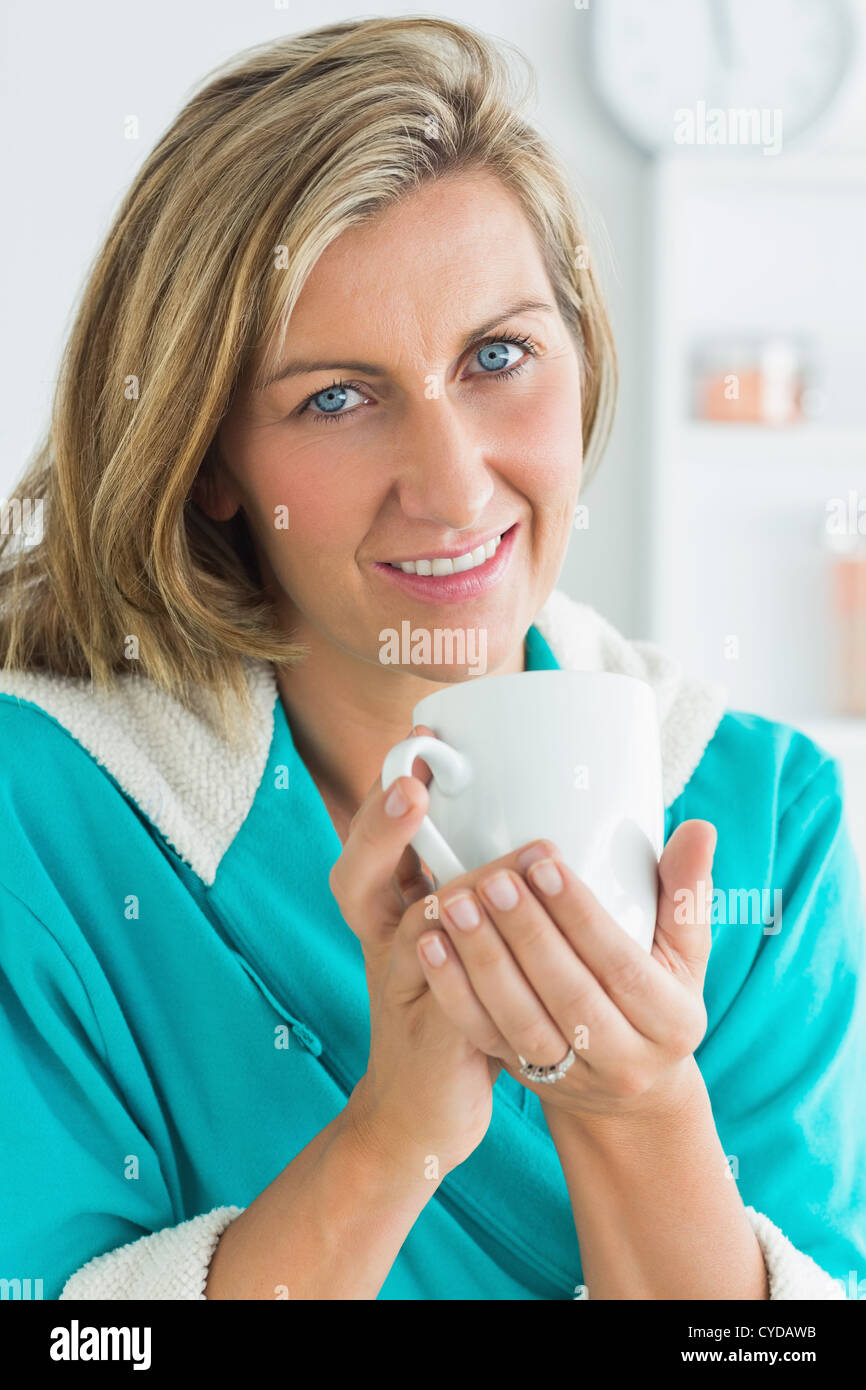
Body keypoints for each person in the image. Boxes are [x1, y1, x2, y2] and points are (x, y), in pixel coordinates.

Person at [1, 16, 863, 1301]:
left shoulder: (758, 820)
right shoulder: (50, 813)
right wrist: (390, 1138)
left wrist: (636, 1112)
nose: (455, 487)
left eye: (497, 356)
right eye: (335, 399)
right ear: (214, 459)